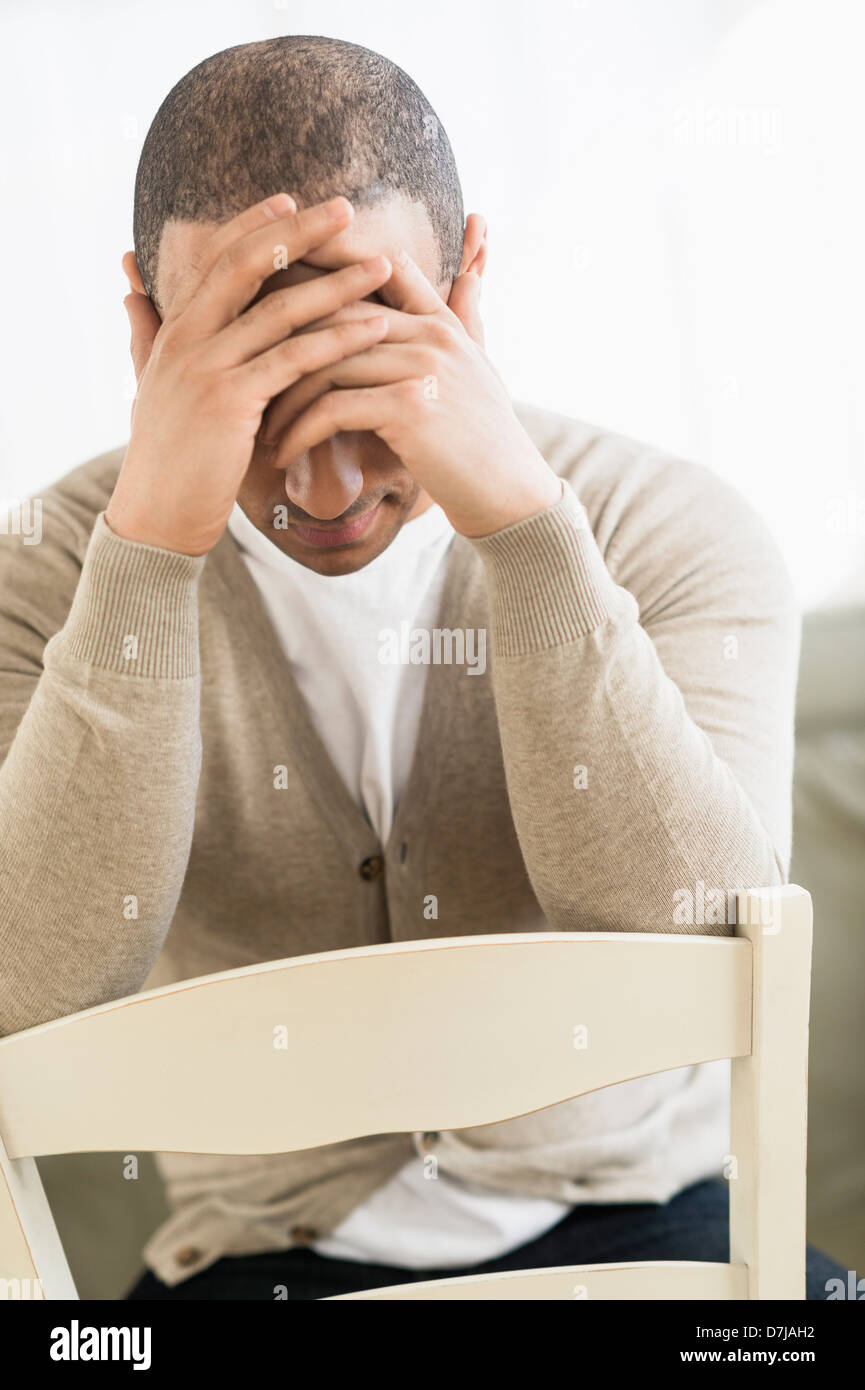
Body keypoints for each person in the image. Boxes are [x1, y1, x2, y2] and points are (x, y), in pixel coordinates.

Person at [0, 35, 844, 1299]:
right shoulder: (46, 577)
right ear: (146, 331)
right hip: (260, 1264)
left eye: (368, 361)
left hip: (654, 1230)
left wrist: (527, 530)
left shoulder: (669, 529)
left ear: (469, 287)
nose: (325, 488)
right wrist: (151, 546)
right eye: (257, 386)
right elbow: (23, 981)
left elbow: (707, 954)